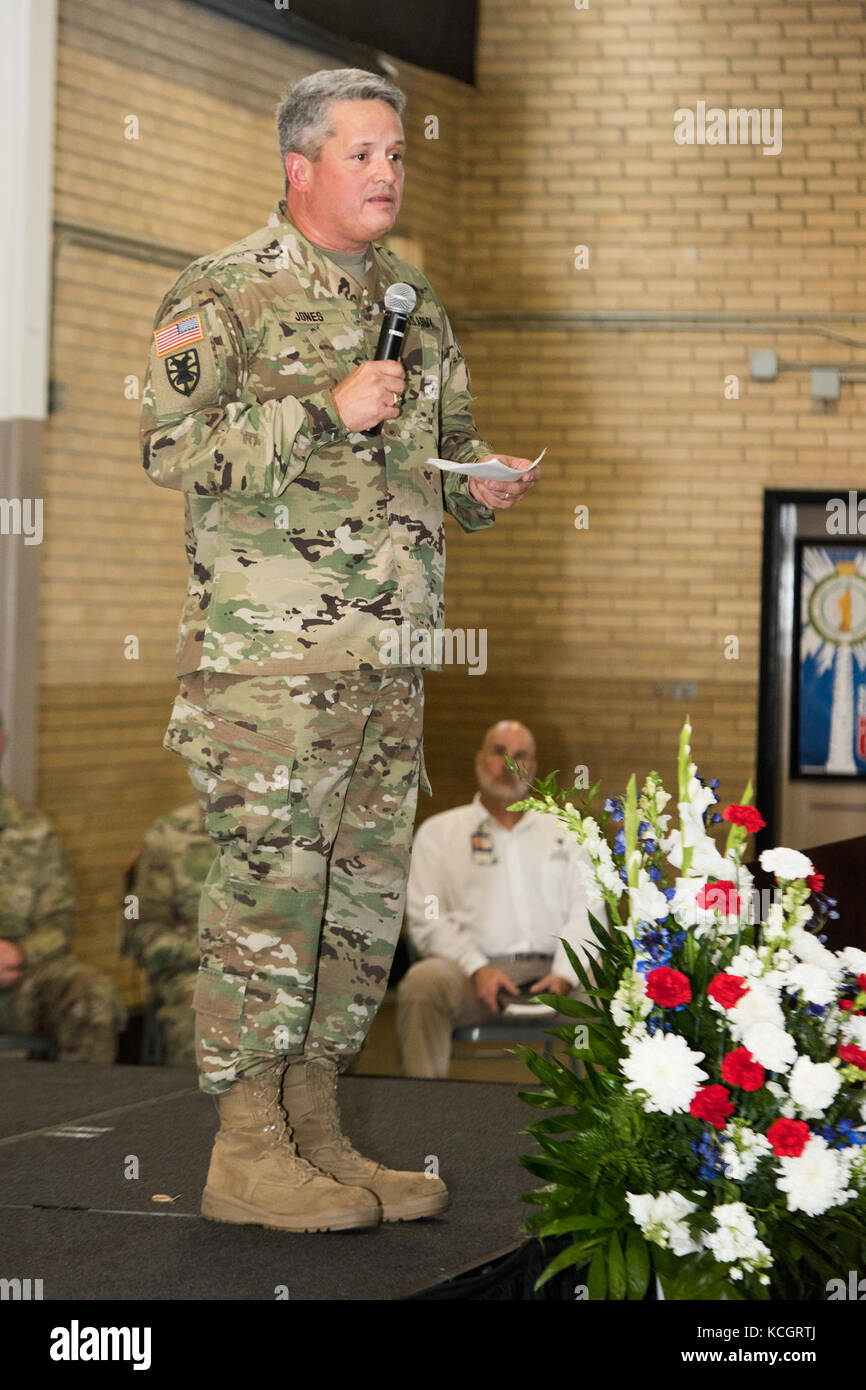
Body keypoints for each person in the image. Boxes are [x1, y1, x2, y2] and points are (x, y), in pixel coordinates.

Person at [140, 68, 539, 1233]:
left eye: (397, 154)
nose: (387, 173)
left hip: (386, 665)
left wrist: (482, 487)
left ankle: (314, 1131)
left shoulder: (415, 302)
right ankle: (246, 1150)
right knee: (271, 902)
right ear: (298, 167)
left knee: (356, 914)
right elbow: (172, 450)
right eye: (361, 153)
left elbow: (440, 455)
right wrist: (323, 406)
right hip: (268, 674)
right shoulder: (224, 290)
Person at [397, 721, 604, 1078]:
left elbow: (589, 911)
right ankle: (422, 1108)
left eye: (520, 755)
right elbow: (427, 916)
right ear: (480, 761)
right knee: (421, 984)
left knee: (609, 990)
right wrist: (477, 967)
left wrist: (565, 975)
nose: (509, 765)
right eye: (499, 753)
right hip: (468, 974)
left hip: (558, 971)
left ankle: (600, 1117)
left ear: (534, 767)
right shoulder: (439, 833)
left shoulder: (568, 830)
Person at [0, 715, 126, 1062]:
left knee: (89, 994)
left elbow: (60, 923)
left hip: (14, 986)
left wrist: (20, 954)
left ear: (1, 743)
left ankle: (87, 1112)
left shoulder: (33, 833)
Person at [124, 801, 217, 1065]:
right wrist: (212, 950)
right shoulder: (167, 834)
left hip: (275, 968)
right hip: (194, 970)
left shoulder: (286, 827)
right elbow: (136, 923)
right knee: (204, 1009)